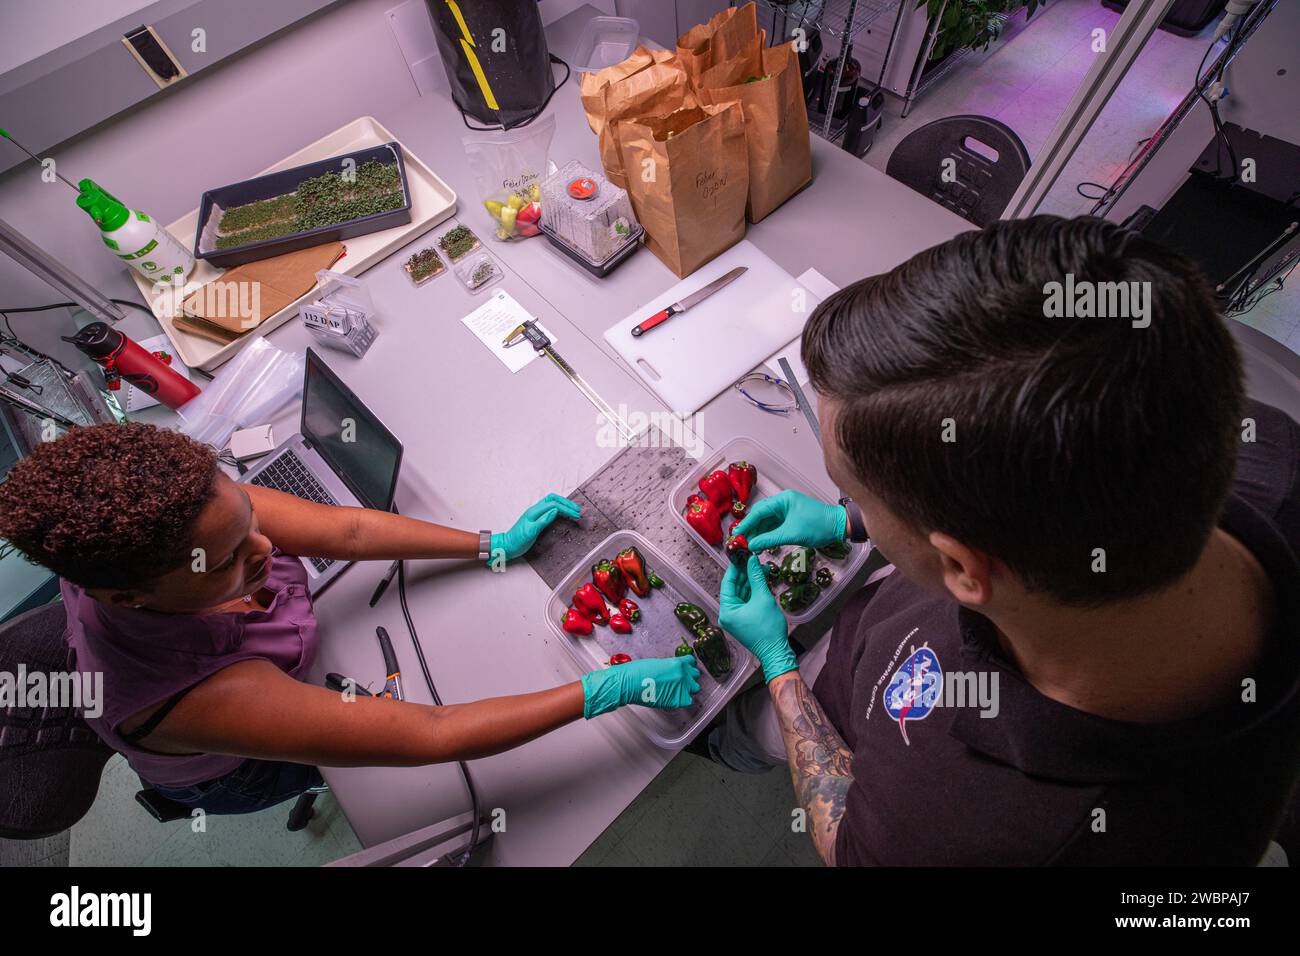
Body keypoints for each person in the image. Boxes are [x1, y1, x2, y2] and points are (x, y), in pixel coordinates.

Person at [712, 215, 1300, 866]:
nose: (853, 507)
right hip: (894, 619)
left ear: (963, 567)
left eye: (854, 493)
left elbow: (846, 836)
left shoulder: (967, 830)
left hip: (835, 702)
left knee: (743, 732)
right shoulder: (1253, 447)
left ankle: (727, 741)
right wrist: (854, 521)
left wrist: (779, 668)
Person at [0, 423, 699, 813]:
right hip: (233, 765)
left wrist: (491, 545)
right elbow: (433, 730)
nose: (268, 549)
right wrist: (609, 688)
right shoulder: (195, 699)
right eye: (227, 561)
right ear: (131, 598)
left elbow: (350, 535)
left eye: (248, 521)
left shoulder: (190, 515)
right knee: (355, 777)